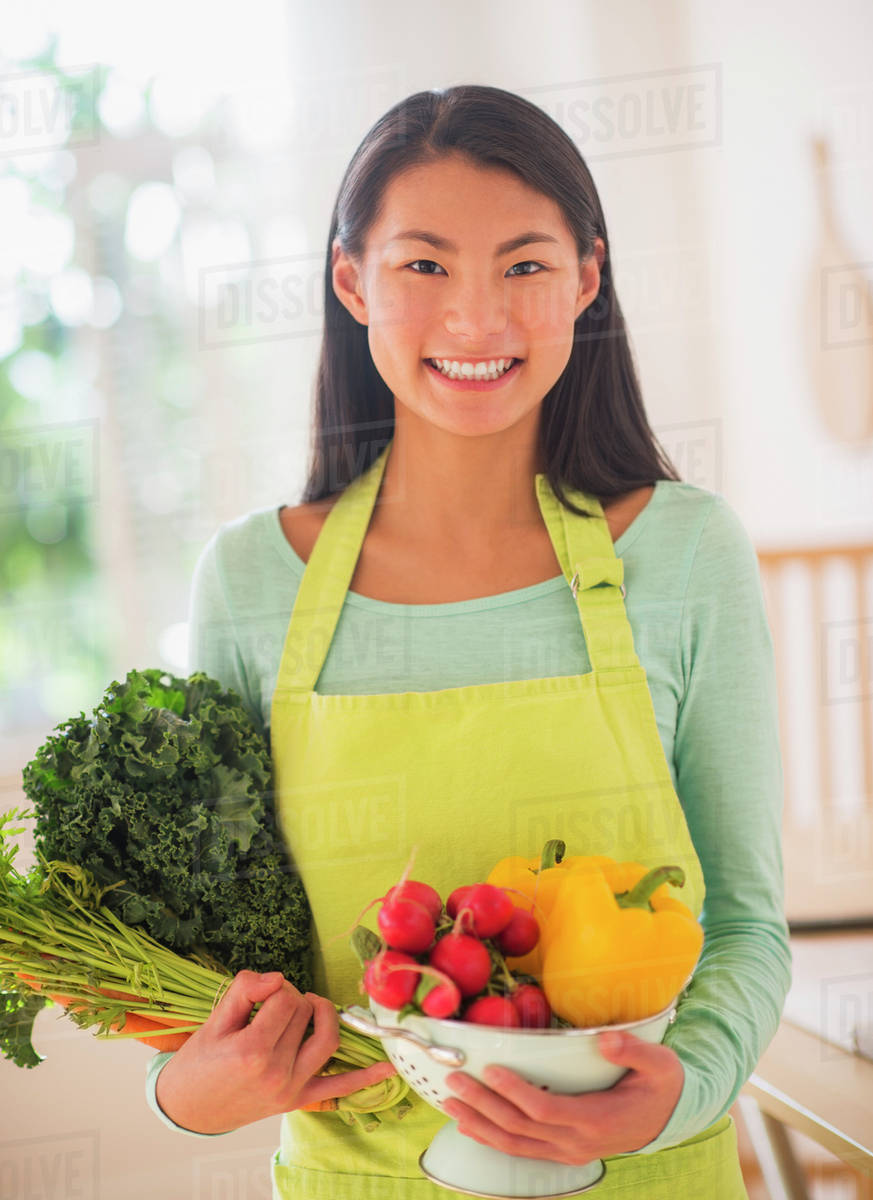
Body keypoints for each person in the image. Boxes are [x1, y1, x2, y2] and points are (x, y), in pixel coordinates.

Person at [145, 84, 791, 1199]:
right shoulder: (252, 583)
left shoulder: (688, 556)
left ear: (588, 279)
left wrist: (675, 1094)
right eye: (425, 266)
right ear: (353, 282)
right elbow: (199, 984)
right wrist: (189, 1094)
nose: (477, 320)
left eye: (526, 267)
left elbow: (743, 925)